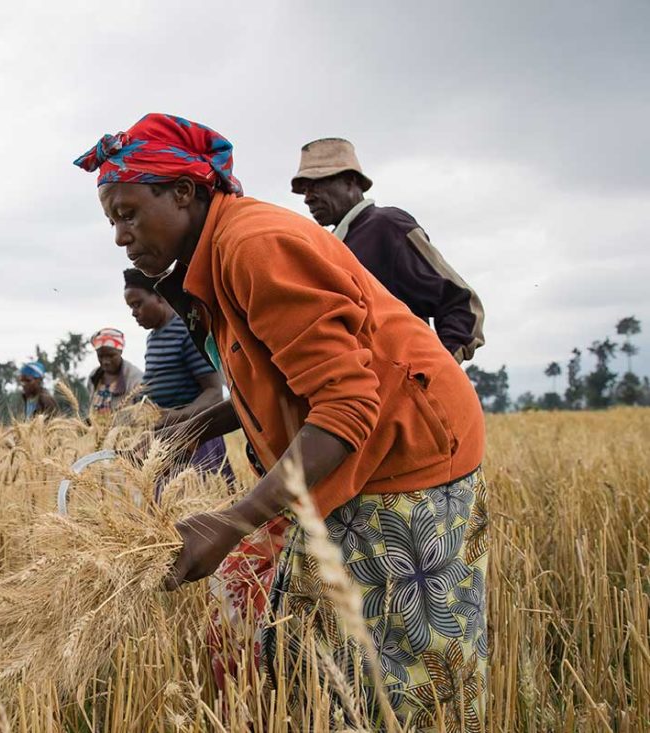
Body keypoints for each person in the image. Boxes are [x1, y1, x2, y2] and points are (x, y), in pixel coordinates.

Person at [75, 113, 487, 730]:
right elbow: (276, 384)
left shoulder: (253, 246)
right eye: (113, 220)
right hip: (356, 454)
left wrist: (232, 519)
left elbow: (346, 406)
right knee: (331, 661)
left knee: (408, 684)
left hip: (406, 460)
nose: (120, 236)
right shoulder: (216, 259)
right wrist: (192, 429)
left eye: (129, 213)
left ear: (183, 193)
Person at [292, 138, 485, 363]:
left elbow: (461, 302)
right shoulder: (332, 247)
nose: (308, 198)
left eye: (317, 184)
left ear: (350, 181)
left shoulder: (387, 227)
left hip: (403, 390)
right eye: (304, 189)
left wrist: (435, 375)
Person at [123, 268, 231, 476]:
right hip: (166, 440)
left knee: (202, 500)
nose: (134, 312)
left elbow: (214, 393)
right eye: (130, 307)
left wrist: (177, 417)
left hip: (196, 439)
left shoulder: (185, 331)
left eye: (138, 304)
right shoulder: (153, 338)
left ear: (160, 297)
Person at [87, 327, 144, 415]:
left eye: (111, 355)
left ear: (120, 351)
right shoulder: (94, 376)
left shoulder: (135, 377)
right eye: (100, 356)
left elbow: (142, 412)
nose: (105, 361)